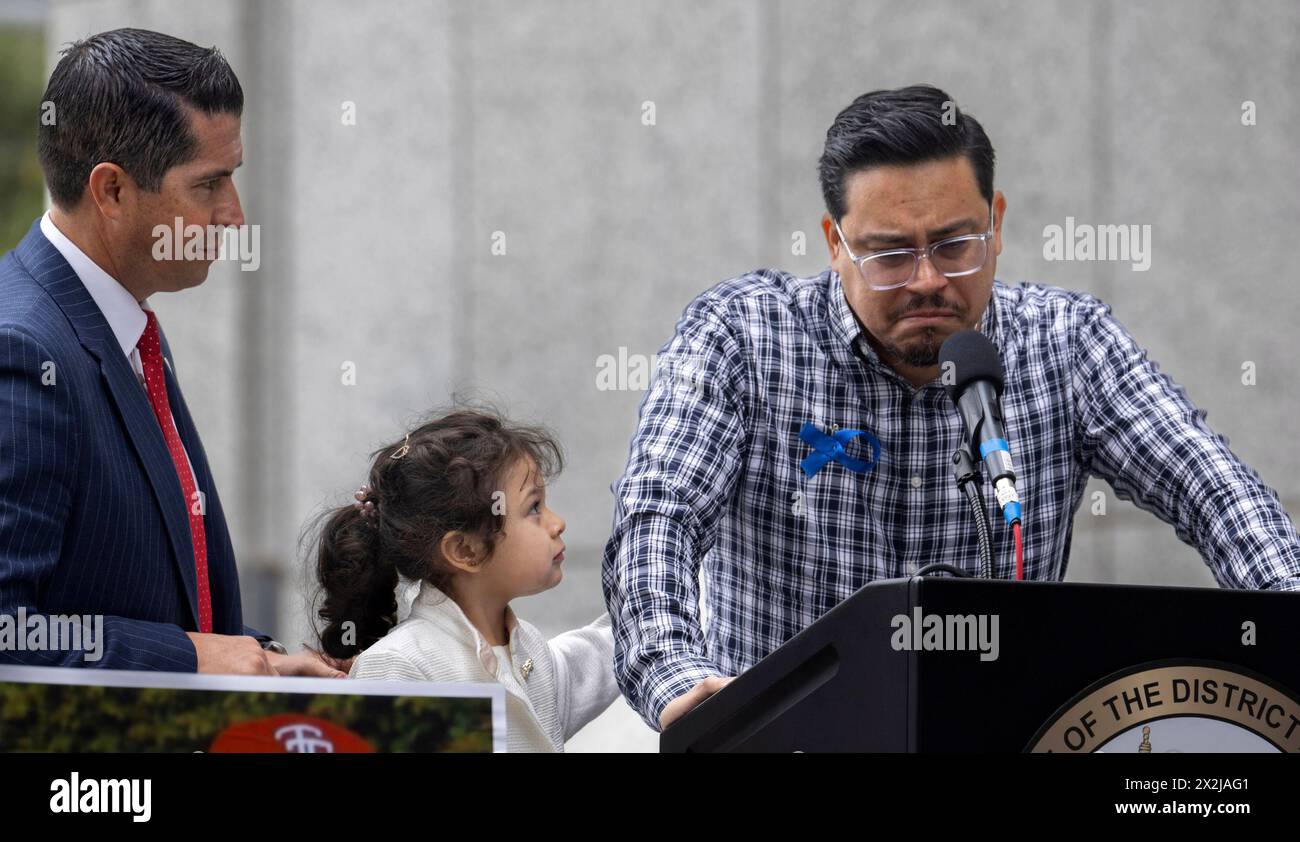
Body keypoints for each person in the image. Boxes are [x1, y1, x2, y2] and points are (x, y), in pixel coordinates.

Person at [602, 84, 1300, 733]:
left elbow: (1217, 493)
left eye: (954, 245)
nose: (929, 280)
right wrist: (678, 680)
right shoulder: (741, 340)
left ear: (995, 224)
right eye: (890, 254)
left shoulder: (1069, 342)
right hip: (789, 740)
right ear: (834, 246)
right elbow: (658, 513)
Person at [0, 28, 339, 676]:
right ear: (113, 192)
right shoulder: (21, 352)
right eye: (209, 185)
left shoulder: (121, 324)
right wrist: (189, 657)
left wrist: (260, 660)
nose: (234, 216)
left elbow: (144, 593)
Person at [315, 410, 620, 752]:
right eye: (534, 508)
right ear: (465, 550)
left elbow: (601, 653)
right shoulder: (398, 664)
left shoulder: (527, 645)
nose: (557, 523)